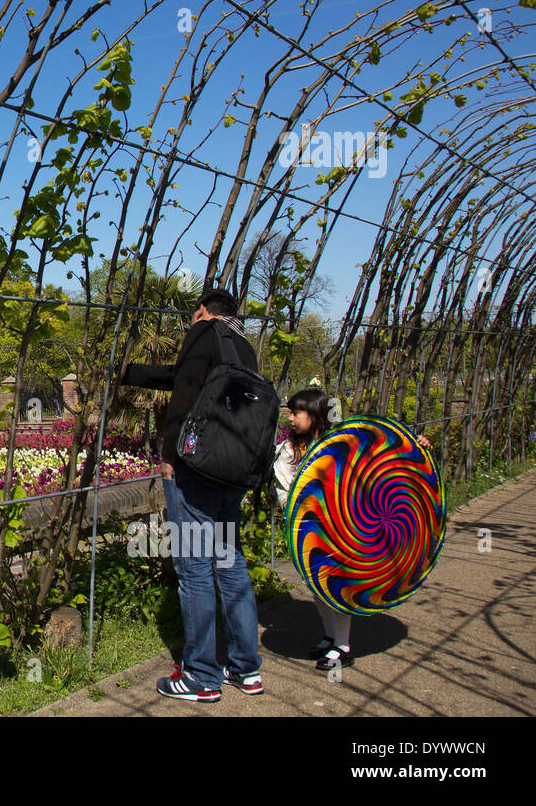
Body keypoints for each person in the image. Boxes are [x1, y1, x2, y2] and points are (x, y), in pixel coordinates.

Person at [119, 288, 262, 703]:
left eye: (194, 314)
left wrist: (168, 455)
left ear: (203, 312)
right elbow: (184, 377)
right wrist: (131, 372)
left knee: (194, 568)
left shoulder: (202, 333)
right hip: (231, 470)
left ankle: (200, 676)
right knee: (230, 563)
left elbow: (183, 393)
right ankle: (246, 669)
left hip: (195, 469)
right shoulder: (242, 346)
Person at [274, 387, 432, 673]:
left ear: (316, 414)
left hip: (341, 532)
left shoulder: (342, 445)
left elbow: (382, 460)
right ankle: (329, 636)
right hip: (310, 531)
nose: (291, 418)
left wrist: (415, 446)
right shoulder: (289, 450)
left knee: (337, 586)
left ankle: (343, 646)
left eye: (297, 412)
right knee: (317, 587)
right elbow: (285, 488)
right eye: (290, 412)